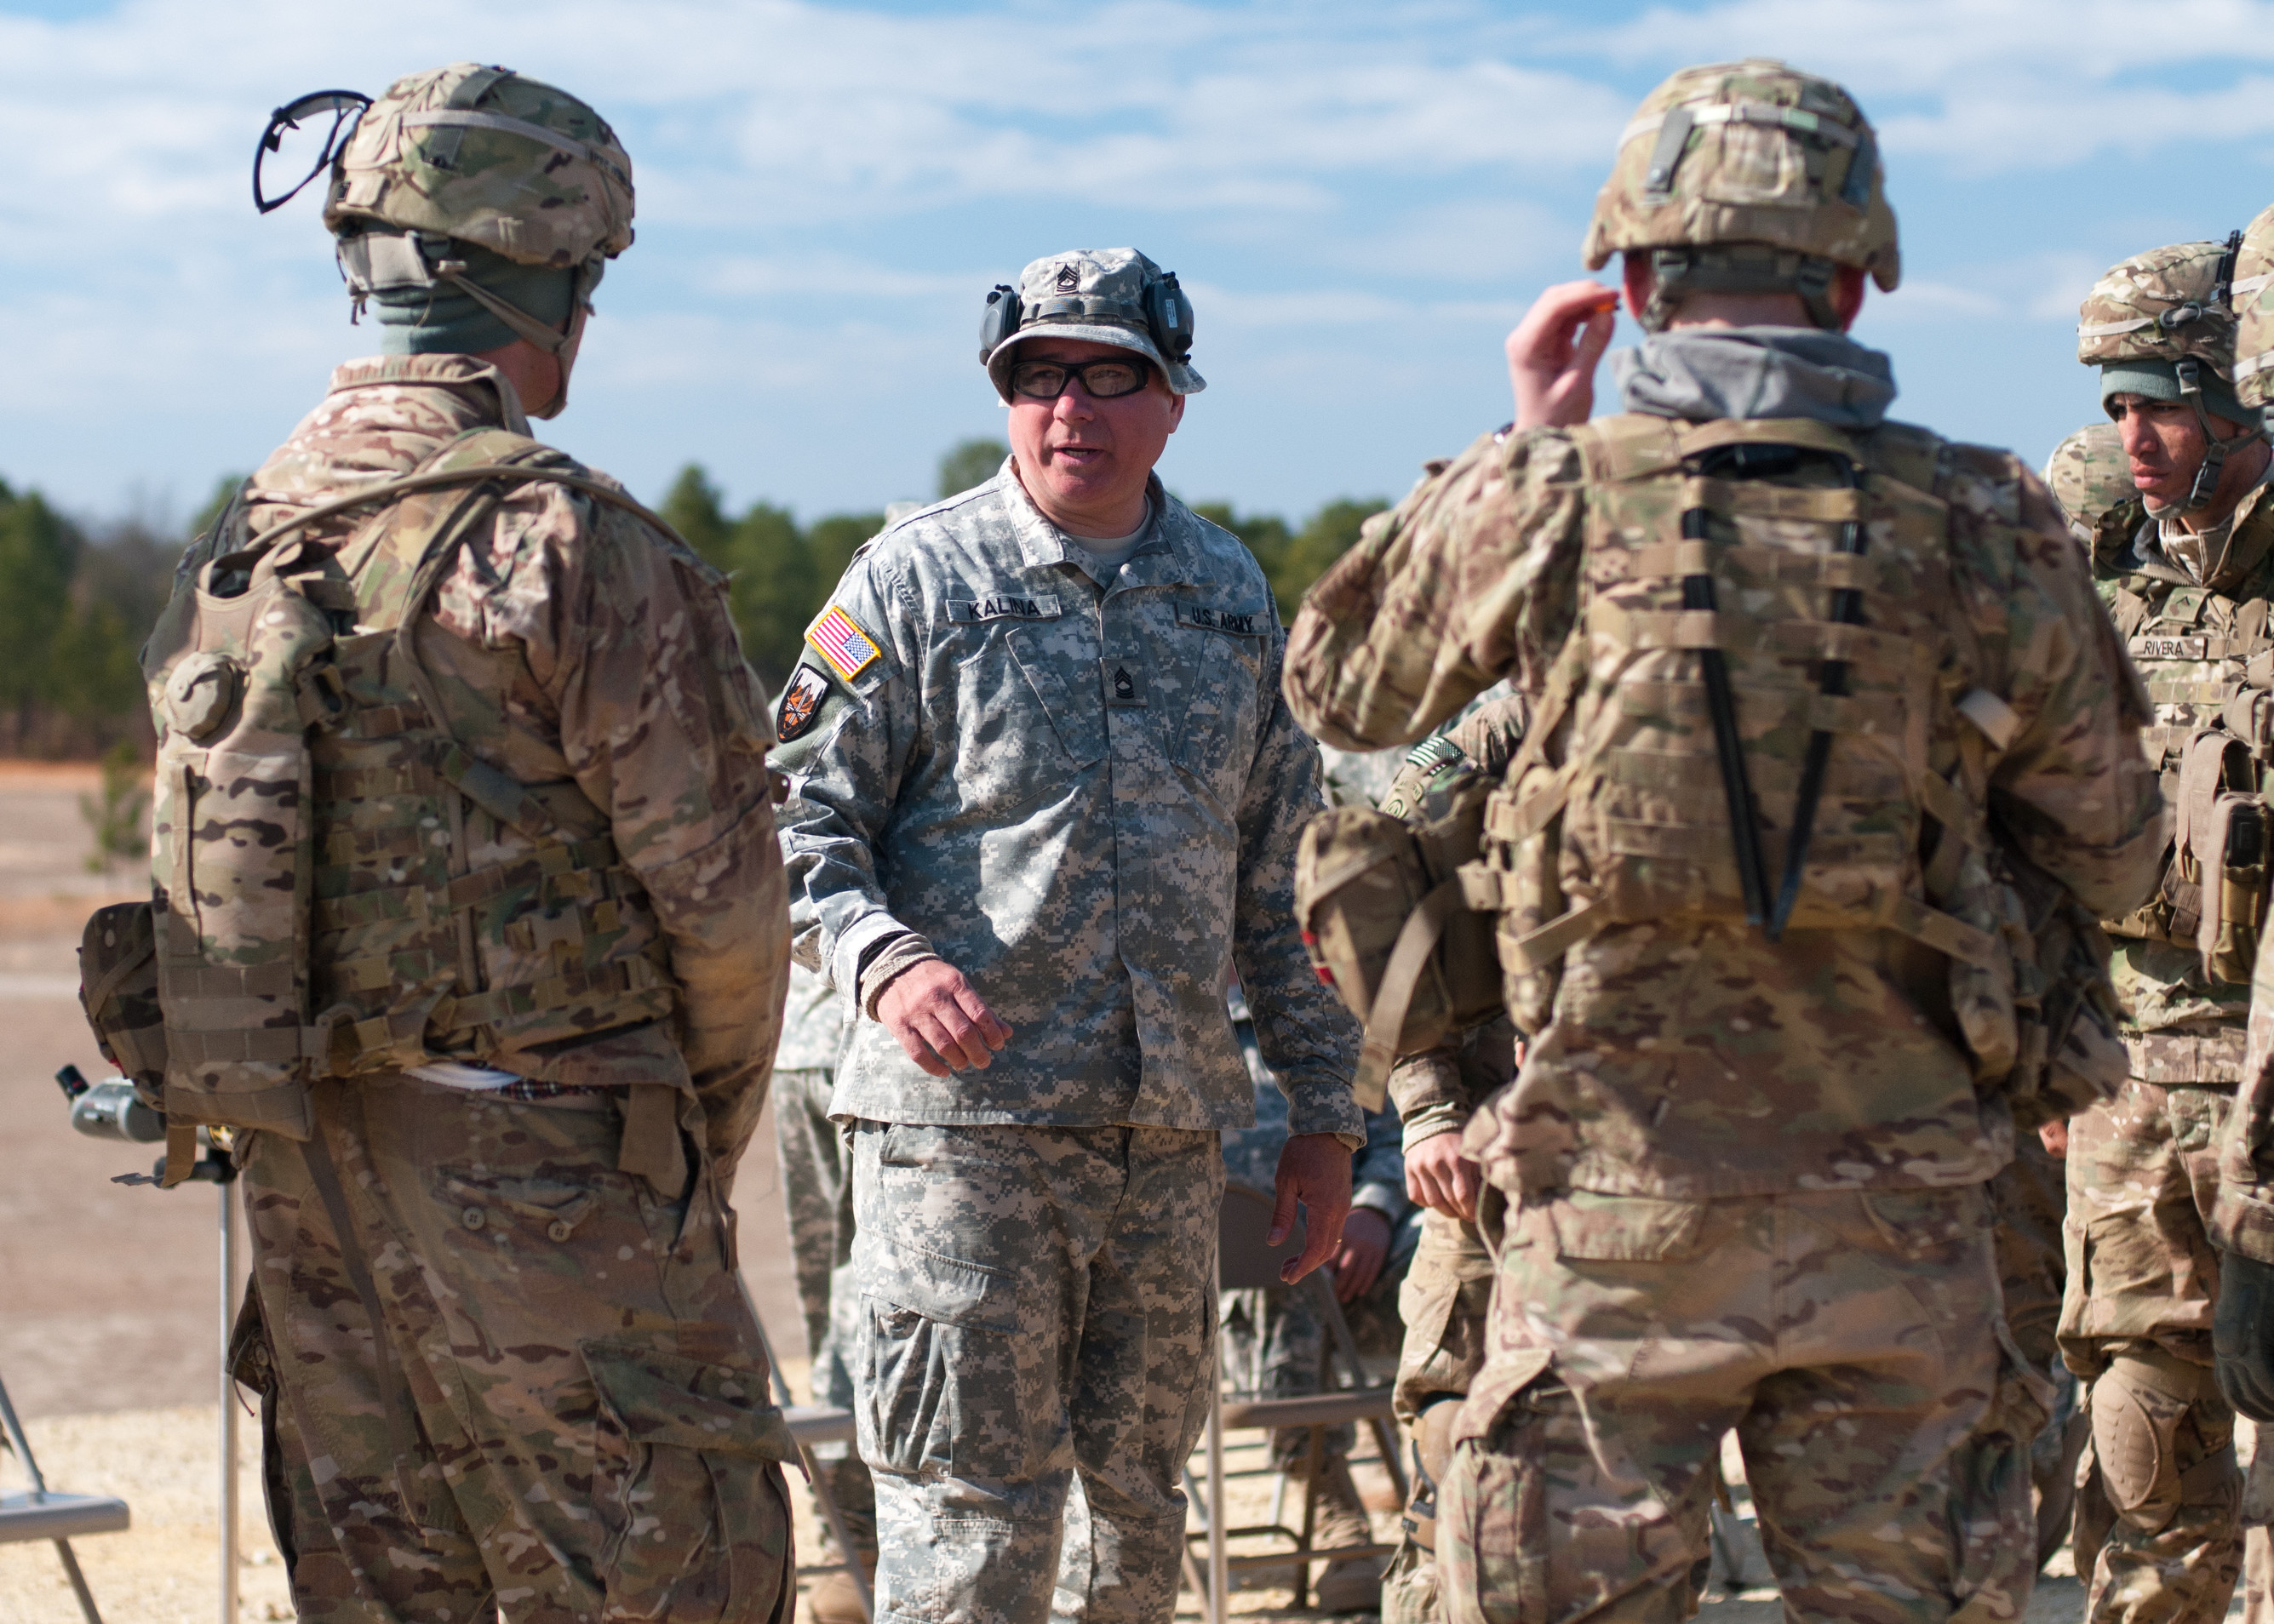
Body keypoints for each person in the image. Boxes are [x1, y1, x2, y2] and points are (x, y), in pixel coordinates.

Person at [1280, 56, 2164, 1624]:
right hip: (1903, 1214)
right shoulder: (1992, 518)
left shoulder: (1547, 498)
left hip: (1611, 1217)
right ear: (1851, 274)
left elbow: (1339, 688)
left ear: (1626, 280)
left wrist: (1523, 436)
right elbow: (2118, 850)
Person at [138, 63, 797, 1624]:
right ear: (539, 274)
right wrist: (679, 1150)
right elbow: (727, 917)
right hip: (558, 1200)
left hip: (318, 1210)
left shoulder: (241, 547)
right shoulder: (571, 542)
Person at [773, 247, 1364, 1624]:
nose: (1070, 410)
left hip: (1164, 1144)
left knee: (1139, 1523)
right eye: (1038, 377)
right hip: (960, 1144)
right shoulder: (913, 579)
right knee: (970, 1523)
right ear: (1003, 396)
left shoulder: (1226, 590)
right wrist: (885, 956)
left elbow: (1283, 873)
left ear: (1173, 399)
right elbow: (794, 818)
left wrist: (1327, 1113)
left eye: (1111, 377)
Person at [2053, 237, 2274, 1624]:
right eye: (2115, 405)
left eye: (2164, 403)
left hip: (2268, 1083)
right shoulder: (2103, 584)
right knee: (2144, 1474)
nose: (2132, 435)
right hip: (2130, 1104)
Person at [1364, 698, 1525, 1624]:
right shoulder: (1503, 727)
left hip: (1680, 1152)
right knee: (1456, 1423)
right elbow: (1378, 901)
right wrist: (1425, 1107)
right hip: (1491, 1150)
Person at [1220, 981, 1419, 1614]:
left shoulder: (1323, 1009)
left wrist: (1375, 1207)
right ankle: (1338, 1523)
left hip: (1364, 1263)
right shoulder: (1179, 1011)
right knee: (1280, 1264)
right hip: (1237, 1284)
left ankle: (1455, 1485)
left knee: (1460, 1250)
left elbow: (1391, 1134)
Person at [770, 958, 871, 1621]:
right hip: (870, 1039)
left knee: (833, 1297)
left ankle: (846, 1544)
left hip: (798, 1034)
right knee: (870, 1294)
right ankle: (854, 1541)